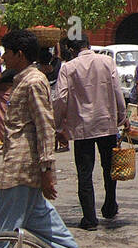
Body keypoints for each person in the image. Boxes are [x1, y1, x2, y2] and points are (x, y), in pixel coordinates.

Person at [0, 29, 98, 248]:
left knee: (4, 229)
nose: (3, 57)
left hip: (20, 166)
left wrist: (47, 171)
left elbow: (44, 125)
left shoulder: (34, 81)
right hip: (22, 165)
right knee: (39, 218)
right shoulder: (23, 79)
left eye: (6, 52)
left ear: (19, 54)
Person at [53, 35, 129, 230]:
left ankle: (89, 218)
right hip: (106, 123)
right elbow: (117, 91)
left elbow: (60, 98)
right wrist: (122, 116)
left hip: (82, 126)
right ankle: (110, 206)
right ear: (89, 45)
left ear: (71, 49)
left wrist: (58, 125)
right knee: (109, 168)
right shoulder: (107, 61)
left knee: (85, 173)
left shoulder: (68, 68)